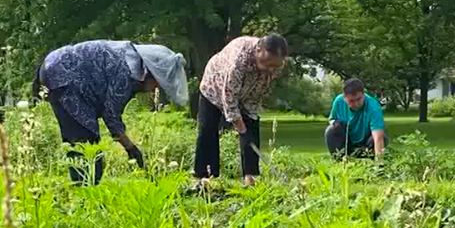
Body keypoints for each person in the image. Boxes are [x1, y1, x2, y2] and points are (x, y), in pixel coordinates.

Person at [34, 40, 188, 186]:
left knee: (89, 148)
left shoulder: (131, 62)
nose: (155, 89)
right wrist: (131, 148)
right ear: (149, 73)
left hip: (57, 69)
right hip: (63, 77)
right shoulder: (126, 74)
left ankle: (87, 194)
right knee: (85, 147)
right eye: (157, 84)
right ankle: (84, 198)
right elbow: (110, 115)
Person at [195, 34, 288, 186]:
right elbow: (229, 95)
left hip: (246, 93)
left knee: (251, 131)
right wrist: (239, 126)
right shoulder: (239, 60)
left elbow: (260, 91)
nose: (271, 69)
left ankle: (250, 177)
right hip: (215, 86)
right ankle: (204, 177)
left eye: (275, 66)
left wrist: (247, 124)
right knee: (208, 129)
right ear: (259, 50)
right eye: (267, 63)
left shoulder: (276, 65)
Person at [325, 77, 386, 160]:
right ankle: (339, 160)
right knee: (331, 130)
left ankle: (371, 159)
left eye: (359, 99)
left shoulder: (373, 106)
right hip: (347, 142)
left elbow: (378, 137)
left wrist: (380, 164)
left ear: (363, 94)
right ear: (344, 98)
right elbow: (332, 119)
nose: (356, 104)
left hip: (366, 143)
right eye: (351, 101)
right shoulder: (338, 101)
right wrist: (335, 123)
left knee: (382, 137)